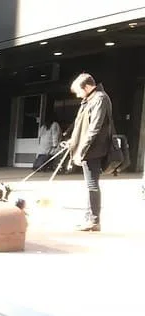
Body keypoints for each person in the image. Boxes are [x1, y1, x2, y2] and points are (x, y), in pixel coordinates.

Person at [67, 73, 113, 232]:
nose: (78, 95)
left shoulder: (99, 98)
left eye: (79, 91)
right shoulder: (90, 99)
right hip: (89, 148)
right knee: (90, 184)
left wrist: (82, 149)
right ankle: (90, 218)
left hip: (93, 149)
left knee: (92, 184)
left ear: (86, 87)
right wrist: (73, 143)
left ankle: (94, 220)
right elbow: (81, 126)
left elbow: (95, 128)